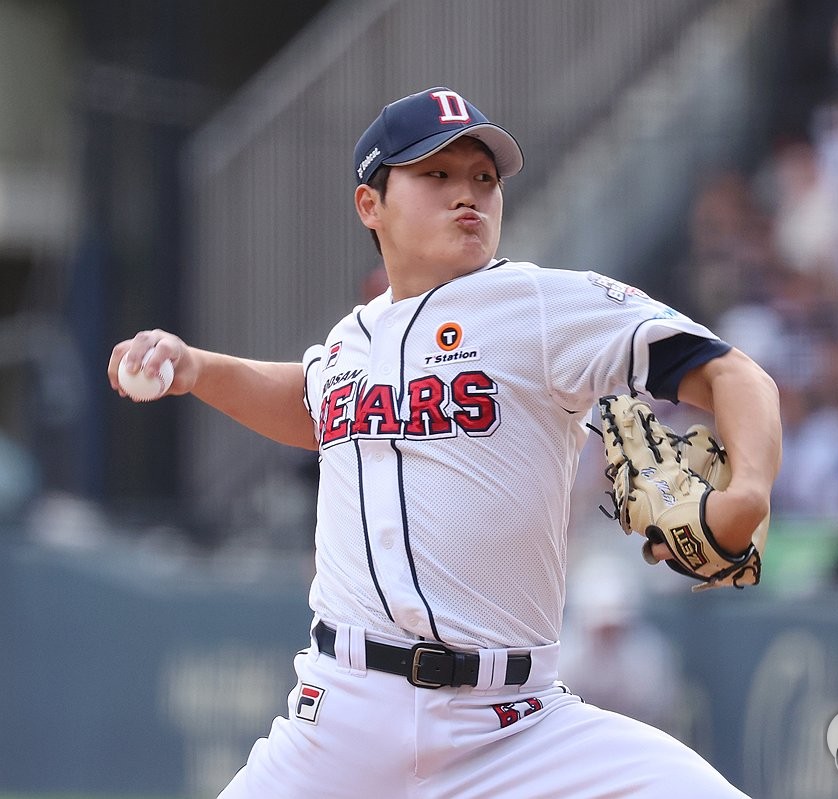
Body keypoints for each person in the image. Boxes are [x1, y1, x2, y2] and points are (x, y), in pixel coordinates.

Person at [107, 87, 781, 798]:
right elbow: (313, 404)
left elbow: (732, 372)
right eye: (437, 175)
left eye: (483, 179)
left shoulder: (541, 304)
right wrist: (196, 368)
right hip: (342, 723)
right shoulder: (351, 339)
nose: (469, 195)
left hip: (516, 729)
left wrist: (748, 490)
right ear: (371, 205)